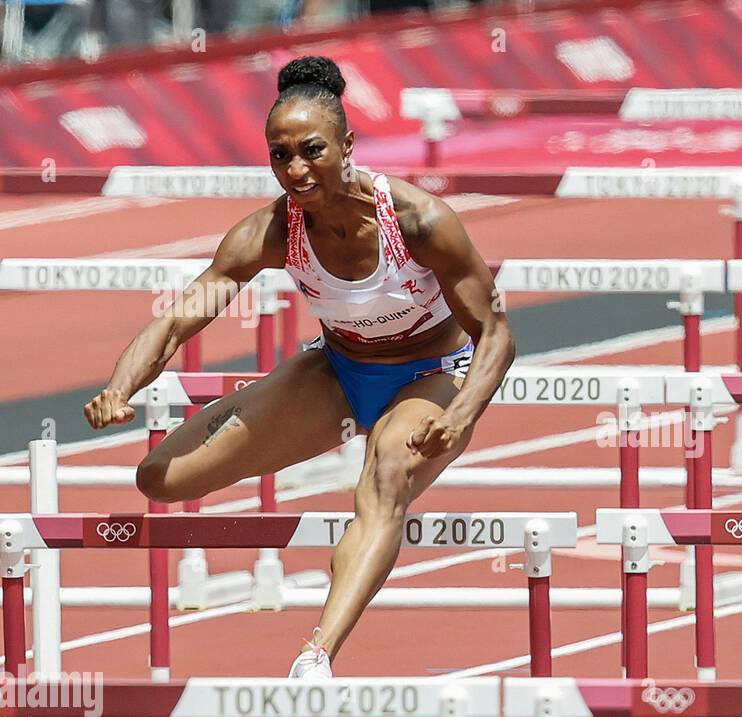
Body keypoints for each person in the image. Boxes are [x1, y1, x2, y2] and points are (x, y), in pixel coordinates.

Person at [84, 55, 514, 679]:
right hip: (338, 371)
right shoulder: (271, 230)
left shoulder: (419, 221)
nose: (296, 169)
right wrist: (119, 387)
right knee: (160, 479)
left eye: (312, 150)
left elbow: (497, 333)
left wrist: (462, 413)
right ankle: (254, 423)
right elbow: (179, 319)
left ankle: (317, 654)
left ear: (347, 145)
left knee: (387, 473)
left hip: (433, 373)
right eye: (279, 155)